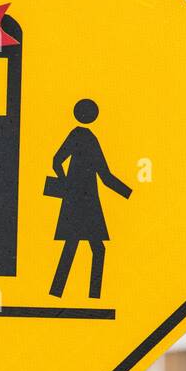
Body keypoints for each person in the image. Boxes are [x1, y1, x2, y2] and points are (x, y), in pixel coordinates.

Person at [48, 98, 131, 300]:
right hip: (87, 203)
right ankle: (92, 296)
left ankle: (59, 292)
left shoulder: (77, 135)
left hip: (77, 200)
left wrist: (67, 182)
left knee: (75, 246)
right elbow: (105, 176)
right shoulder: (88, 138)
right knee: (94, 249)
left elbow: (56, 161)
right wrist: (128, 193)